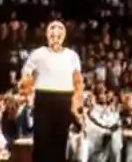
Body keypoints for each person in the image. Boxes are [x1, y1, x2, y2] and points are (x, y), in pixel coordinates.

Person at [21, 21, 84, 162]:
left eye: (59, 30)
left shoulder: (72, 55)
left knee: (60, 141)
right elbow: (26, 74)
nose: (56, 33)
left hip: (64, 100)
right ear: (47, 34)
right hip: (43, 99)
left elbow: (78, 81)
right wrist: (28, 94)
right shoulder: (38, 53)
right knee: (42, 141)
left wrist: (77, 104)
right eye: (52, 30)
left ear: (64, 35)